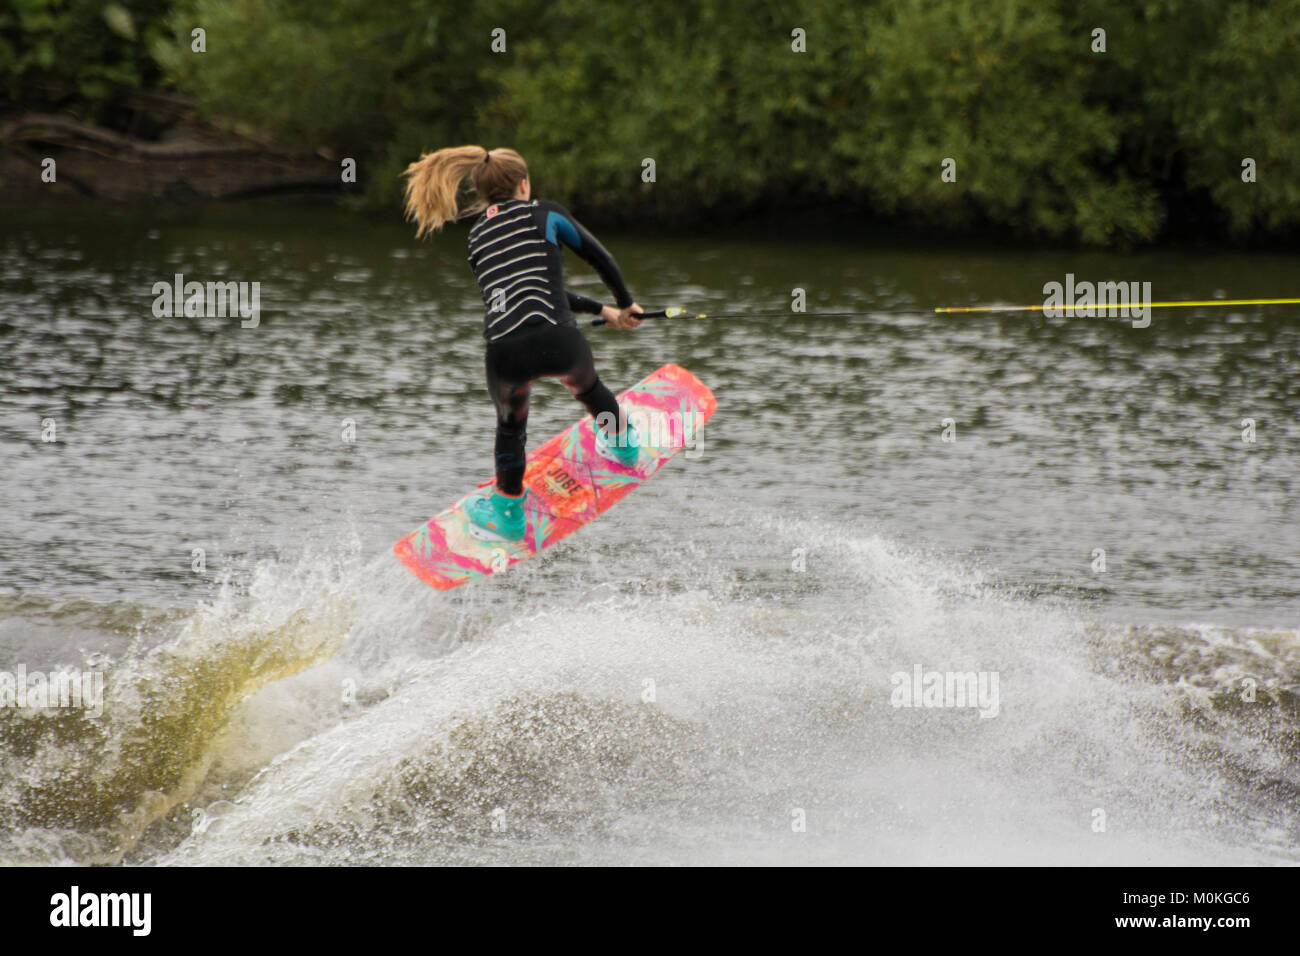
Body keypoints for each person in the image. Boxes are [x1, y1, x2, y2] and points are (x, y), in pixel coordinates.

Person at [402, 145, 645, 540]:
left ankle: (510, 512)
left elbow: (521, 293)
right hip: (560, 339)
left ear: (483, 193)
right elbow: (599, 257)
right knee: (589, 387)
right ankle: (623, 443)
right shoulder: (545, 212)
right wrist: (624, 303)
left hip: (505, 350)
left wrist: (603, 311)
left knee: (510, 428)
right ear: (523, 183)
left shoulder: (476, 237)